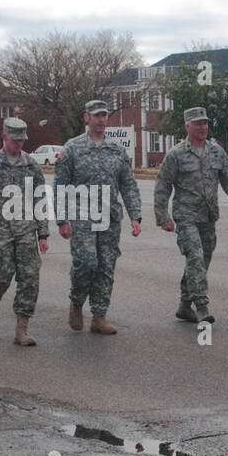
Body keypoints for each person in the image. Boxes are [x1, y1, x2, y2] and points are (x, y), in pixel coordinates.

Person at [153, 106, 228, 325]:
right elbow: (162, 185)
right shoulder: (176, 154)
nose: (203, 127)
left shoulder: (216, 152)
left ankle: (184, 305)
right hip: (185, 216)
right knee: (195, 257)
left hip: (208, 216)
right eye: (198, 123)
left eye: (205, 123)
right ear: (187, 126)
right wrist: (163, 216)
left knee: (202, 260)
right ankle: (201, 306)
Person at [55, 99, 143, 334]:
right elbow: (60, 186)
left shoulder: (116, 149)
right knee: (87, 262)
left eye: (104, 115)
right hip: (82, 216)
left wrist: (136, 215)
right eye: (96, 116)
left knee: (106, 266)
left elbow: (128, 184)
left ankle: (99, 316)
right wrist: (62, 219)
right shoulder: (71, 149)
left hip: (110, 217)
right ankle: (76, 301)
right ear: (87, 118)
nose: (101, 120)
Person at [0, 117, 49, 345]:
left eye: (21, 141)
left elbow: (40, 199)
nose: (18, 145)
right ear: (4, 137)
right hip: (0, 230)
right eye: (14, 140)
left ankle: (21, 329)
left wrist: (43, 234)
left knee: (30, 278)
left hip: (26, 231)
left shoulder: (31, 165)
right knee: (0, 275)